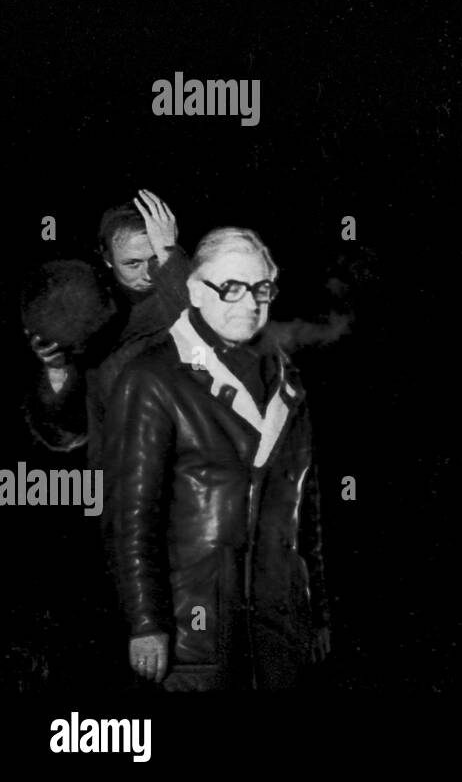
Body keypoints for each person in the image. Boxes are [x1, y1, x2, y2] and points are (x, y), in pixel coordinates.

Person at [103, 227, 329, 691]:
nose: (249, 303)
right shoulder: (153, 378)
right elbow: (132, 515)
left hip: (280, 627)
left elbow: (307, 512)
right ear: (194, 290)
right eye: (230, 287)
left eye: (260, 288)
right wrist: (146, 623)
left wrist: (318, 613)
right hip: (198, 626)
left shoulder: (291, 381)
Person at [24, 190, 189, 464]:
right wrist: (56, 371)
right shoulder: (93, 326)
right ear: (108, 258)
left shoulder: (199, 294)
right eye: (132, 264)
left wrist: (171, 258)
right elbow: (66, 435)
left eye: (157, 259)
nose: (149, 275)